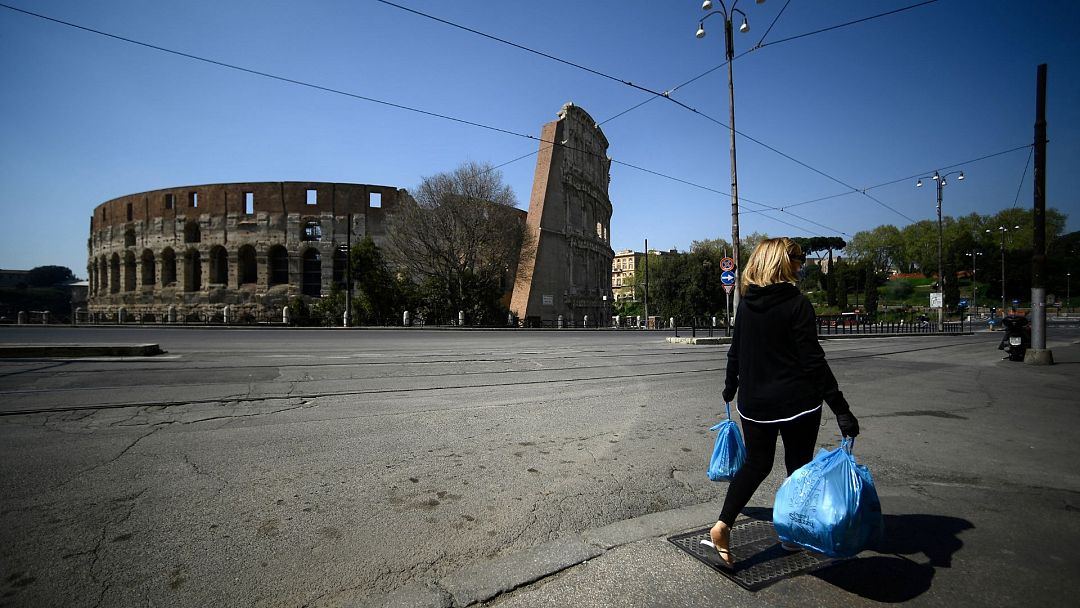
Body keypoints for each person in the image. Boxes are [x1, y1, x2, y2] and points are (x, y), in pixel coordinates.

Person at [708, 237, 859, 568]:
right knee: (799, 468)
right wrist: (841, 409)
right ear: (782, 262)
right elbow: (813, 361)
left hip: (754, 404)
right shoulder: (797, 304)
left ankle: (723, 524)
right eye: (798, 257)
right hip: (797, 403)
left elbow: (735, 351)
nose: (801, 263)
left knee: (756, 464)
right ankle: (791, 536)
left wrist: (730, 386)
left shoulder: (746, 305)